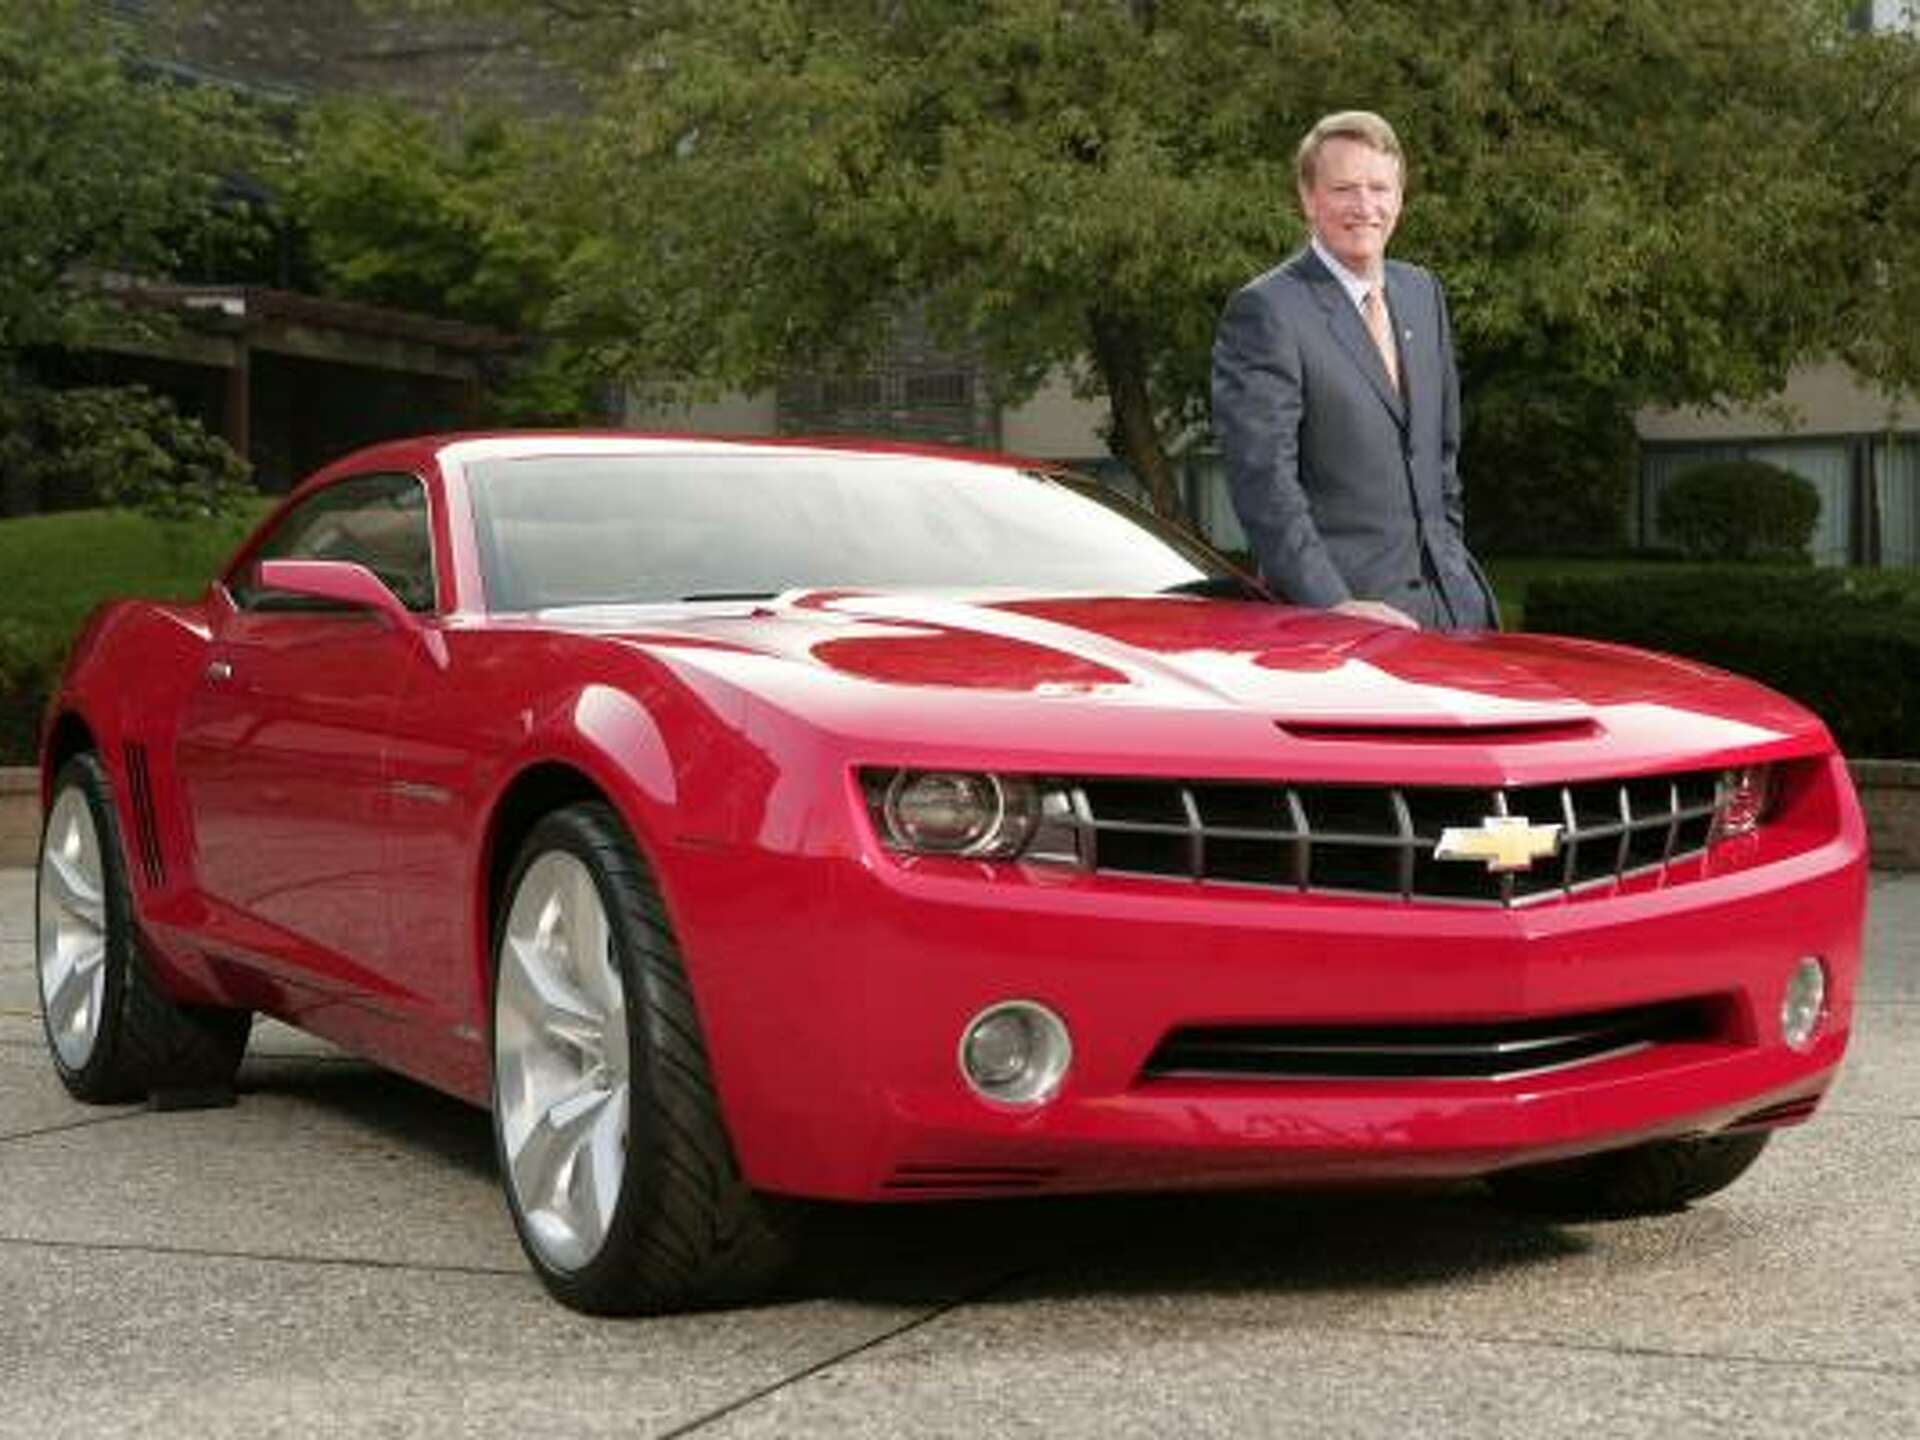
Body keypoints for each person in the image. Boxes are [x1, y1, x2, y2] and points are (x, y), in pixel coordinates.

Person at [1211, 110, 1497, 631]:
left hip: (1455, 612)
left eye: (1379, 188)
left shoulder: (1422, 293)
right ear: (1309, 198)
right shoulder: (1268, 310)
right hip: (1346, 626)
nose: (1365, 207)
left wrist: (1453, 566)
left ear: (1399, 197)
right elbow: (1264, 484)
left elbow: (1442, 459)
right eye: (1344, 189)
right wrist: (1332, 604)